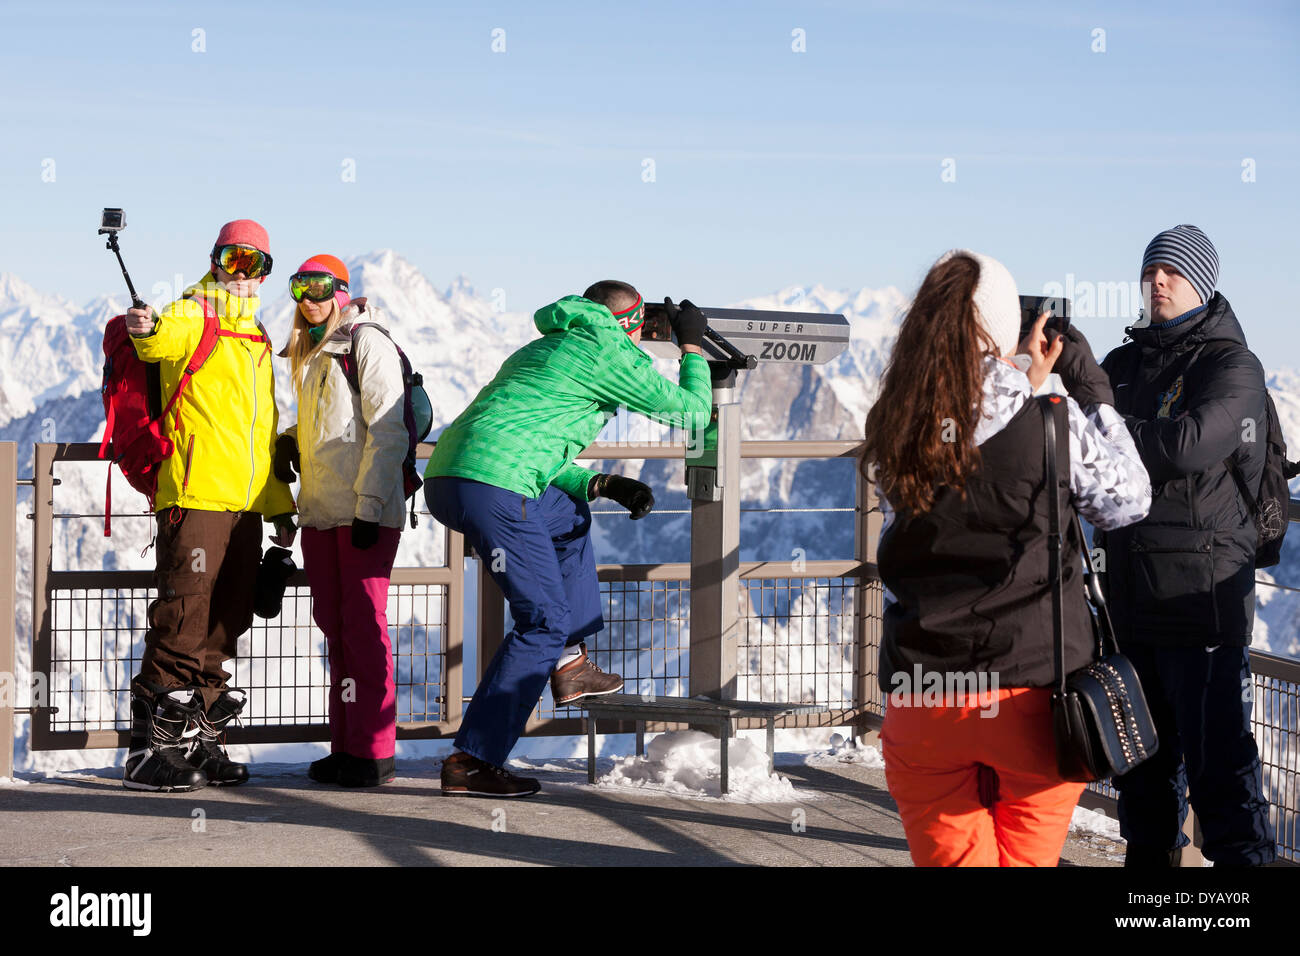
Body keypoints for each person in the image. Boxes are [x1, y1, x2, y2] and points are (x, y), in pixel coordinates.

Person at [865, 250, 1152, 866]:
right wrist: (1091, 393)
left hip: (925, 692)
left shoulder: (895, 425)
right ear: (1002, 328)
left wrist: (1020, 376)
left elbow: (964, 428)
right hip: (1033, 698)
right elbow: (1129, 501)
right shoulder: (1053, 420)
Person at [424, 281, 712, 796]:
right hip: (496, 487)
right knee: (544, 622)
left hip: (451, 479)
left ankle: (571, 664)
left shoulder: (547, 344)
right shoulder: (608, 352)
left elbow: (525, 438)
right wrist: (691, 346)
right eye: (645, 326)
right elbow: (691, 415)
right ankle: (472, 761)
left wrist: (596, 483)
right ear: (633, 321)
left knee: (569, 516)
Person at [1097, 225, 1277, 866]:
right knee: (1143, 782)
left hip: (1202, 605)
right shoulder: (1119, 365)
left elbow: (1186, 446)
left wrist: (1106, 425)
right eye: (1150, 271)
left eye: (1172, 271)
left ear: (1202, 282)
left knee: (1221, 778)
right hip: (1128, 604)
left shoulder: (1233, 366)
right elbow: (1068, 450)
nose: (1158, 281)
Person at [122, 219, 296, 792]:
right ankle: (147, 753)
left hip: (244, 506)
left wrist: (277, 507)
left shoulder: (258, 337)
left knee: (225, 623)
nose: (245, 275)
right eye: (235, 260)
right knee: (182, 619)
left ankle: (202, 743)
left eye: (258, 265)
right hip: (195, 497)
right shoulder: (192, 311)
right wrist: (143, 327)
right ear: (217, 260)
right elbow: (156, 339)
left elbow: (262, 434)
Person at [273, 255, 409, 788]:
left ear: (342, 291)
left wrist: (371, 506)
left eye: (319, 288)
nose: (309, 299)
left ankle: (374, 751)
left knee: (364, 628)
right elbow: (327, 425)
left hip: (361, 512)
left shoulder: (365, 341)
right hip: (321, 512)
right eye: (299, 289)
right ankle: (345, 746)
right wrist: (289, 440)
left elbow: (389, 426)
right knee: (335, 628)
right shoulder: (312, 352)